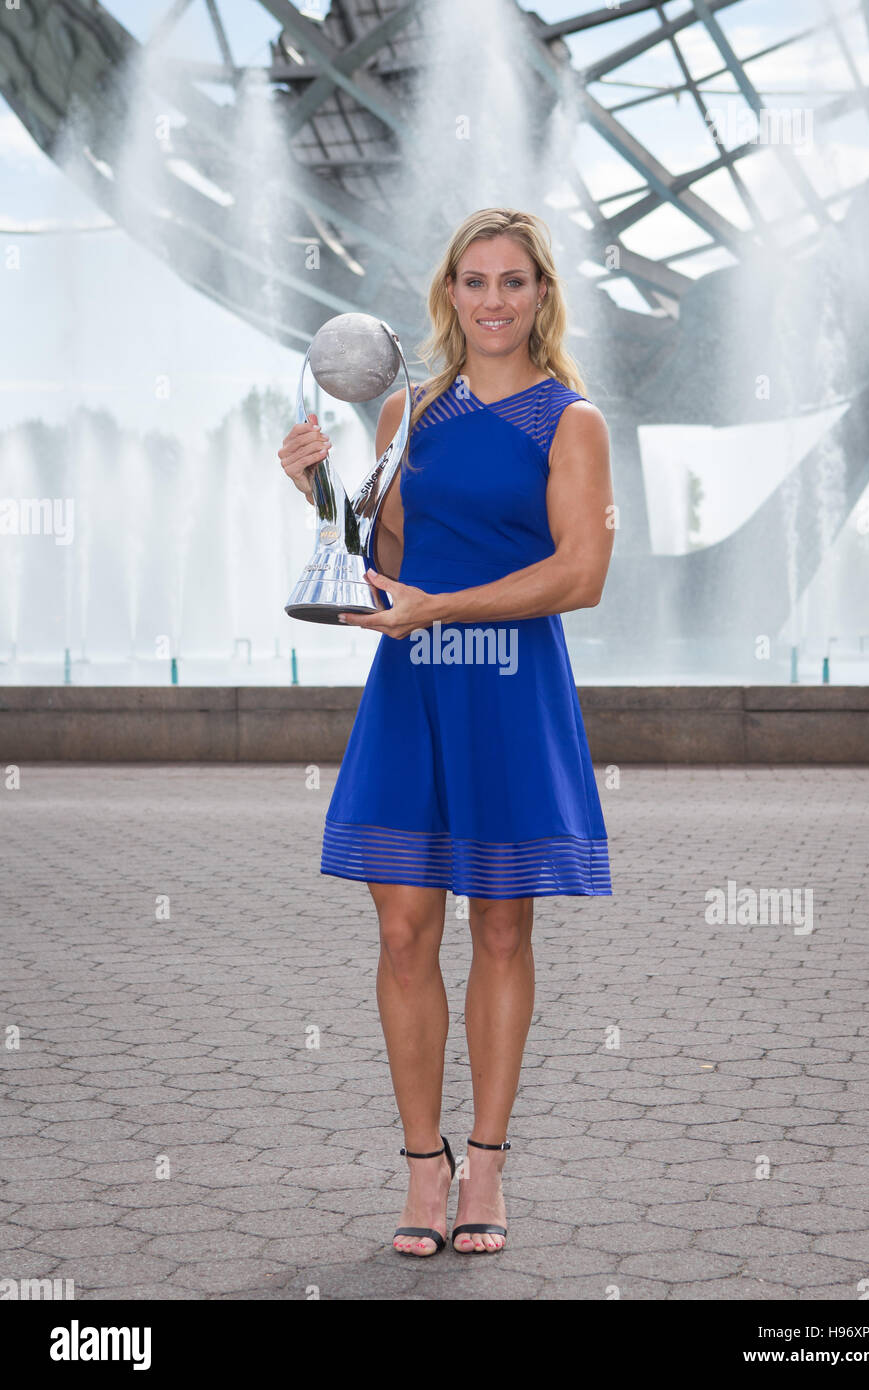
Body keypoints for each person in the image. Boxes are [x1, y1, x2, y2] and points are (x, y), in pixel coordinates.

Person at [278, 207, 613, 1257]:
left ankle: (490, 1169)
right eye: (474, 282)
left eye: (514, 282)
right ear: (449, 295)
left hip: (510, 688)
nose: (494, 300)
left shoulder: (573, 422)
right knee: (400, 928)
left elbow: (580, 573)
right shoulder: (406, 416)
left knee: (504, 929)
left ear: (542, 296)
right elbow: (379, 567)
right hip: (412, 688)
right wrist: (318, 489)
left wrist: (442, 608)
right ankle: (425, 1170)